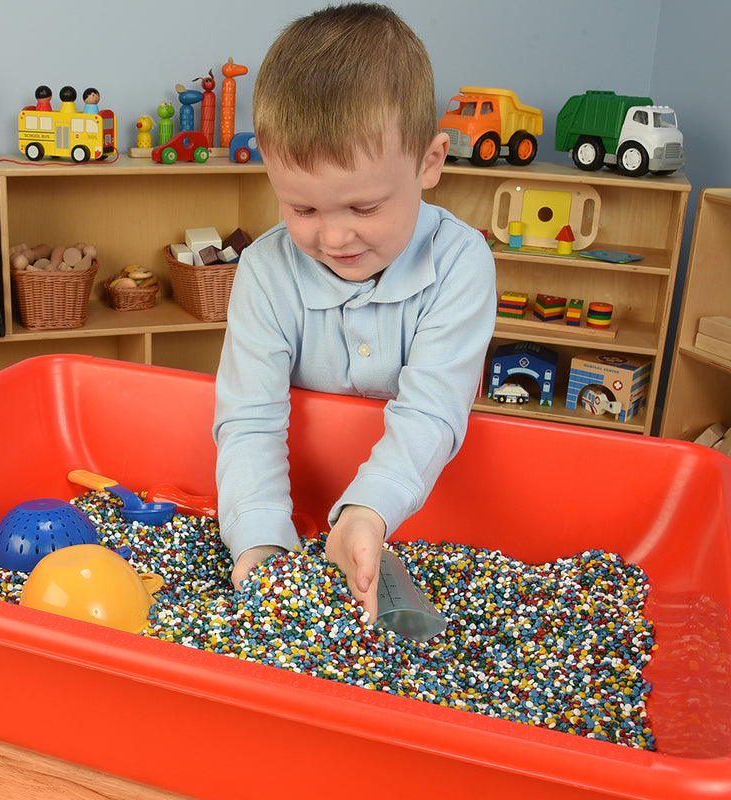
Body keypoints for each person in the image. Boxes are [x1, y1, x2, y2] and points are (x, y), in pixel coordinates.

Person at [212, 2, 496, 620]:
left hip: (421, 501)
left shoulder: (460, 263)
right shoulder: (266, 270)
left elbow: (430, 411)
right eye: (303, 210)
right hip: (298, 500)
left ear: (430, 162)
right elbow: (250, 418)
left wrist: (367, 512)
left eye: (364, 209)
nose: (333, 238)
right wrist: (262, 545)